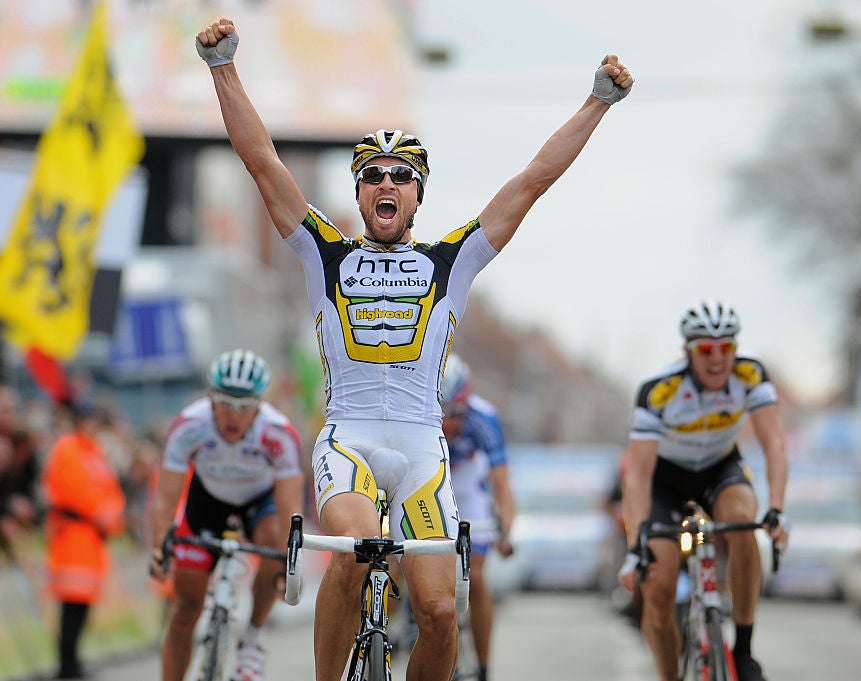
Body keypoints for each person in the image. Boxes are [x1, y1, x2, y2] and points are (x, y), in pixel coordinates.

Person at [195, 16, 632, 681]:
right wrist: (223, 66)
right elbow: (262, 162)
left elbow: (532, 180)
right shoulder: (325, 254)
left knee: (440, 612)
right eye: (372, 175)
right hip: (349, 438)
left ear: (419, 194)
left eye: (401, 175)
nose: (387, 184)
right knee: (355, 549)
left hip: (425, 449)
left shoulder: (450, 262)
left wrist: (597, 100)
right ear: (360, 192)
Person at [618, 301, 790, 681]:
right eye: (706, 350)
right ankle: (670, 676)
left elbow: (774, 443)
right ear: (688, 353)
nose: (717, 359)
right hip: (665, 481)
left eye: (725, 348)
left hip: (719, 469)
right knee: (658, 590)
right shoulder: (658, 391)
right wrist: (635, 544)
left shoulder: (750, 374)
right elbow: (639, 475)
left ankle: (743, 650)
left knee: (746, 523)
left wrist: (778, 508)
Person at [149, 349, 304, 681]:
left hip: (259, 503)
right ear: (210, 398)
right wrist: (159, 546)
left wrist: (287, 561)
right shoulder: (190, 426)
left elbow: (291, 508)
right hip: (207, 503)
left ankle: (251, 639)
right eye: (225, 403)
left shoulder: (278, 433)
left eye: (244, 406)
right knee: (185, 608)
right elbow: (165, 498)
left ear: (260, 405)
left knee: (277, 539)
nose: (234, 416)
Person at [439, 355, 515, 681]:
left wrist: (505, 532)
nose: (448, 423)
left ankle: (483, 666)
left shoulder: (484, 418)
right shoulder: (414, 414)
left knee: (477, 577)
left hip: (468, 485)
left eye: (456, 413)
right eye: (441, 413)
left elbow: (501, 484)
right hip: (431, 478)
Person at [42, 403, 127, 680]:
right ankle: (67, 664)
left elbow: (112, 490)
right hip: (73, 537)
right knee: (71, 605)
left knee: (83, 605)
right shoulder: (68, 448)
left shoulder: (97, 453)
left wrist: (113, 515)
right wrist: (100, 513)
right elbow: (71, 487)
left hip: (92, 541)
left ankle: (73, 660)